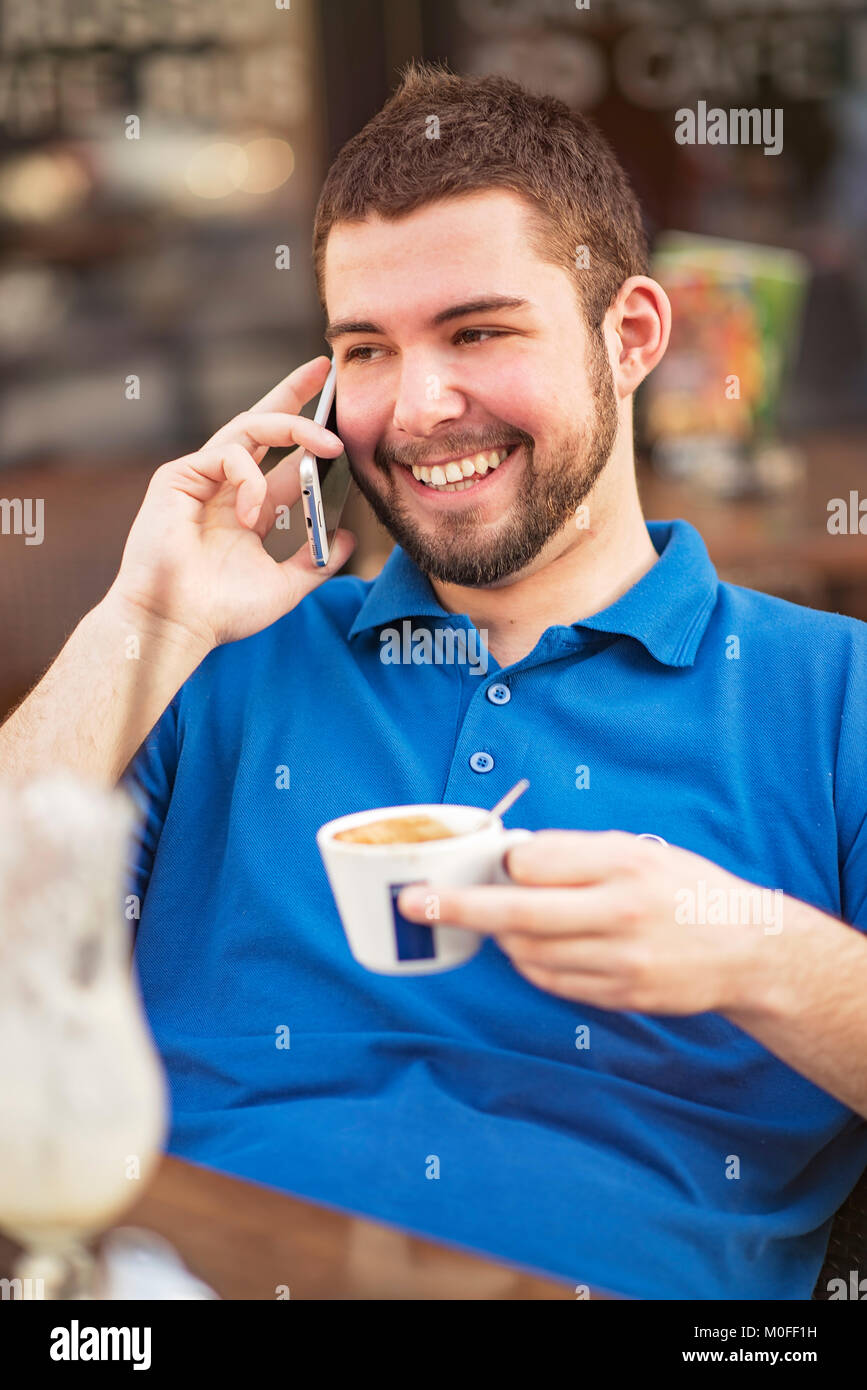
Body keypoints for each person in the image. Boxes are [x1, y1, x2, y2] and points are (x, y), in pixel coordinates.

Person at [2, 60, 866, 1300]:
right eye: (367, 348)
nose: (419, 408)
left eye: (477, 331)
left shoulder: (833, 695)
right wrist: (142, 616)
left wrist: (754, 951)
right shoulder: (216, 659)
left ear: (630, 337)